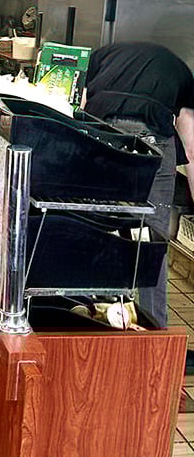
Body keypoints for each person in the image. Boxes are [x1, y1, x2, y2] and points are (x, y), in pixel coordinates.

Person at [82, 41, 194, 335]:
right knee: (153, 240)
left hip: (102, 132)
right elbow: (191, 148)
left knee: (96, 224)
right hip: (151, 140)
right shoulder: (181, 73)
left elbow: (81, 105)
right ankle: (154, 331)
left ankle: (96, 317)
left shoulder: (102, 55)